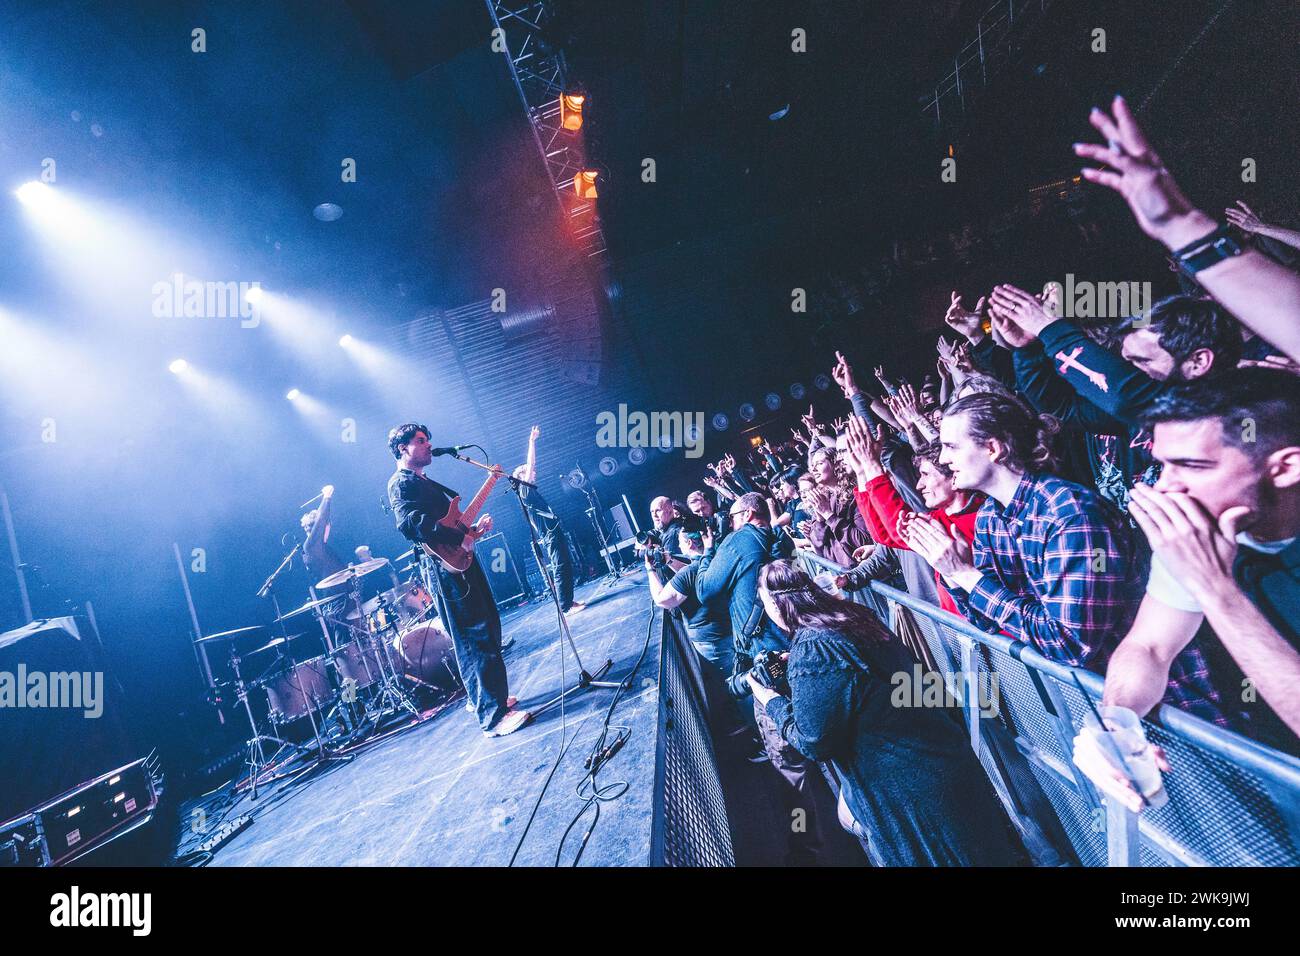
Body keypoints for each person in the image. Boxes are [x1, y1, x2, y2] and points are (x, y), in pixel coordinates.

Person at [751, 561, 1027, 866]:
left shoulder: (813, 649)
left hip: (908, 795)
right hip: (941, 762)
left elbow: (815, 741)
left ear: (777, 604)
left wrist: (772, 701)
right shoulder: (854, 617)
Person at [1097, 369, 1300, 754]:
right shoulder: (1206, 529)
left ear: (1286, 468)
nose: (1163, 486)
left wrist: (1215, 588)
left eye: (1191, 465)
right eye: (1163, 463)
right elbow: (1150, 646)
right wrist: (1117, 726)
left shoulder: (1201, 553)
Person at [909, 392, 1142, 669]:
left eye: (951, 447)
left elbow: (1070, 644)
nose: (944, 459)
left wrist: (965, 573)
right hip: (1096, 693)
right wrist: (954, 575)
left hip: (1157, 695)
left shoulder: (1071, 514)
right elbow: (984, 619)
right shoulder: (990, 518)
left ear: (993, 449)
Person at [696, 492, 824, 864]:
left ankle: (808, 852)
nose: (729, 521)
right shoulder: (778, 539)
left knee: (789, 770)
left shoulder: (739, 539)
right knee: (829, 742)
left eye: (732, 515)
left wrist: (708, 552)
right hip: (800, 648)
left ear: (747, 513)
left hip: (768, 667)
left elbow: (705, 589)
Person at [385, 422, 528, 737]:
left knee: (487, 626)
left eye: (427, 440)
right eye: (420, 441)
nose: (427, 445)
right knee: (472, 635)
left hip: (459, 559)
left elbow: (446, 524)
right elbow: (410, 524)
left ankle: (492, 698)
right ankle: (492, 717)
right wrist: (455, 534)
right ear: (402, 448)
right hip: (443, 568)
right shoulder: (401, 484)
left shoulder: (425, 482)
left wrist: (471, 531)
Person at [514, 425, 583, 613]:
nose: (532, 472)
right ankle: (565, 607)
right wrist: (531, 441)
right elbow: (532, 464)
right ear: (521, 476)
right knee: (561, 568)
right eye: (526, 471)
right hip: (550, 535)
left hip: (554, 532)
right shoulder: (524, 490)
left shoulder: (530, 491)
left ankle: (569, 602)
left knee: (565, 566)